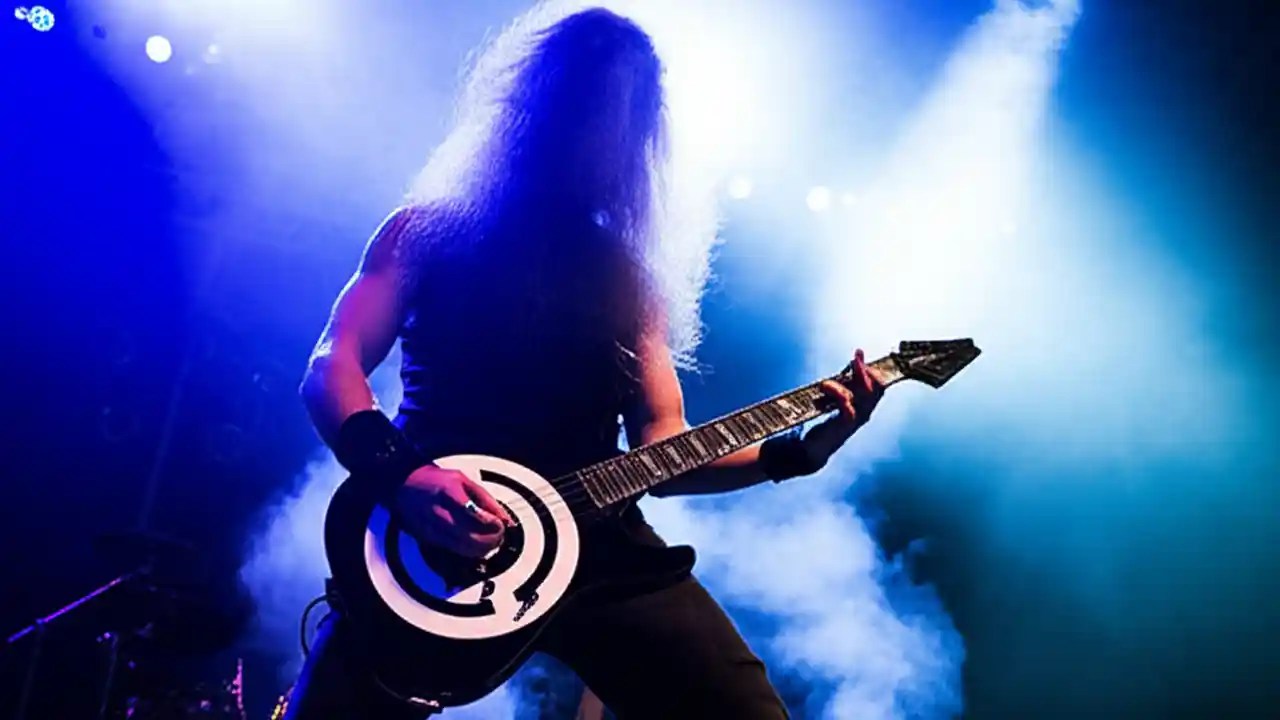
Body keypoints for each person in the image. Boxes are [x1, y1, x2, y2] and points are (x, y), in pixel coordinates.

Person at [287, 7, 882, 719]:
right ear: (533, 112)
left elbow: (664, 448)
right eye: (586, 111)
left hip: (598, 543)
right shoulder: (426, 232)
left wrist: (797, 451)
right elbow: (332, 367)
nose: (598, 139)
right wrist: (406, 477)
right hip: (433, 524)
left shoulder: (630, 282)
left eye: (618, 119)